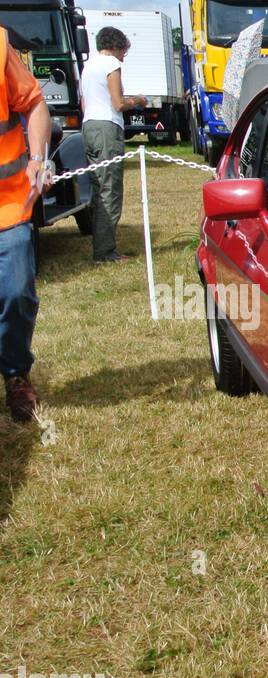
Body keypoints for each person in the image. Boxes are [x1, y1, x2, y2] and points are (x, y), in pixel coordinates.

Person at [0, 25, 53, 423]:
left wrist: (37, 158)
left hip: (9, 206)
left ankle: (16, 374)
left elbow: (34, 104)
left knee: (17, 294)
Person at [80, 26, 145, 263]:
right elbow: (117, 104)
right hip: (107, 128)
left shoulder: (88, 66)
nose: (124, 57)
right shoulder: (111, 65)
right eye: (124, 51)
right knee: (110, 189)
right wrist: (138, 101)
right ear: (116, 46)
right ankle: (105, 252)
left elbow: (85, 104)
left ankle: (102, 246)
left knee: (98, 188)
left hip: (89, 127)